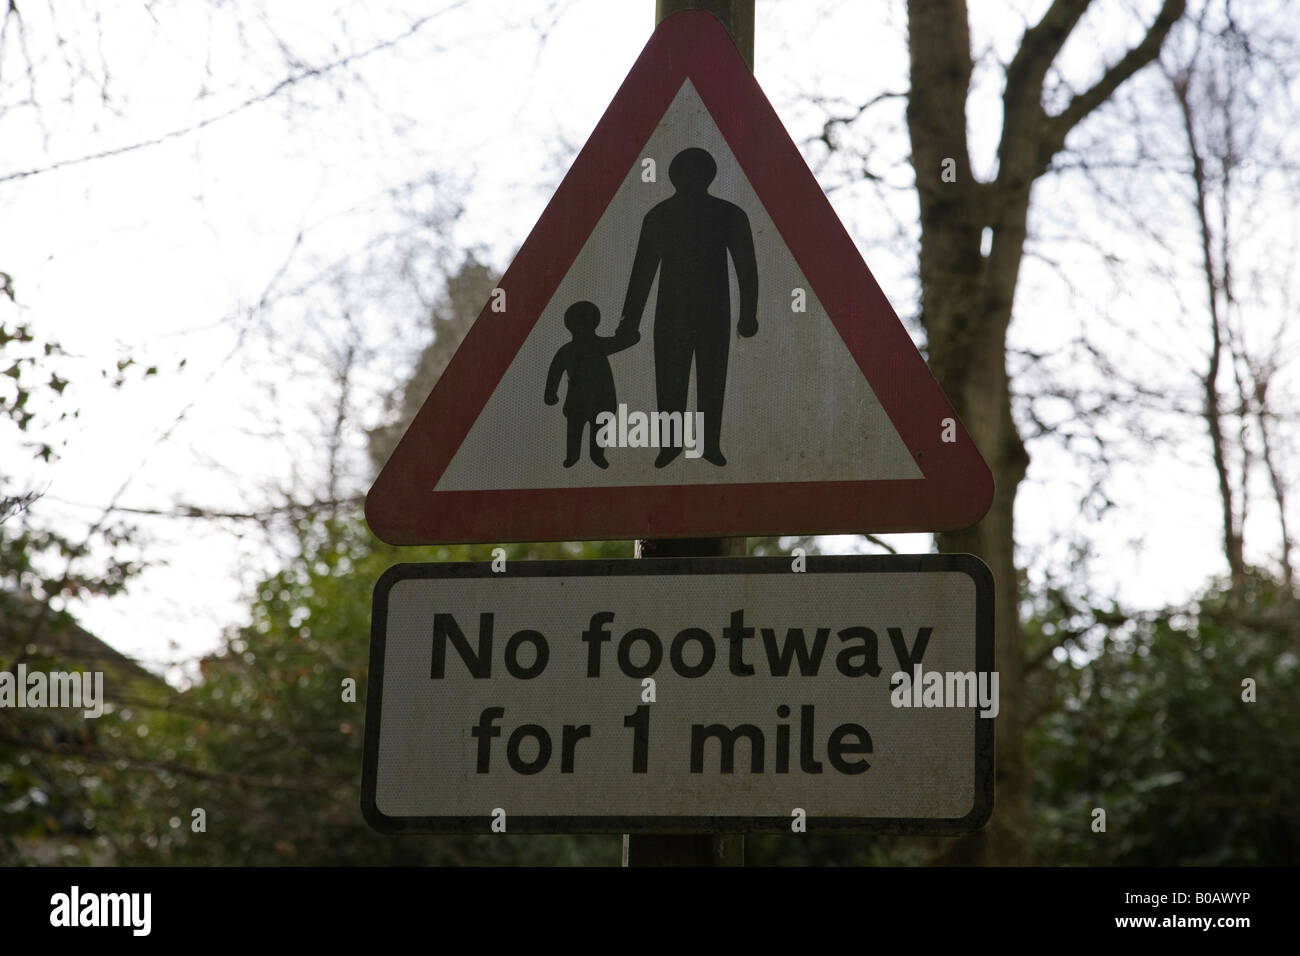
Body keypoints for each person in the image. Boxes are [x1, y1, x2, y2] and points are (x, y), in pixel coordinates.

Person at [617, 147, 758, 467]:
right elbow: (643, 272)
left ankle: (710, 445)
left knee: (710, 378)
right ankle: (670, 445)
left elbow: (746, 268)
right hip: (672, 314)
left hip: (712, 313)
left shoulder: (729, 215)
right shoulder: (660, 216)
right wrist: (630, 321)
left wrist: (749, 314)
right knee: (670, 379)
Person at [544, 300, 638, 468]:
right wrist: (550, 393)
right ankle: (573, 456)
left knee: (598, 428)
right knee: (575, 429)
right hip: (578, 401)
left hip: (599, 400)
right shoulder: (568, 350)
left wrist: (630, 334)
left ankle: (596, 456)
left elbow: (623, 342)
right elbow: (555, 372)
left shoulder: (596, 345)